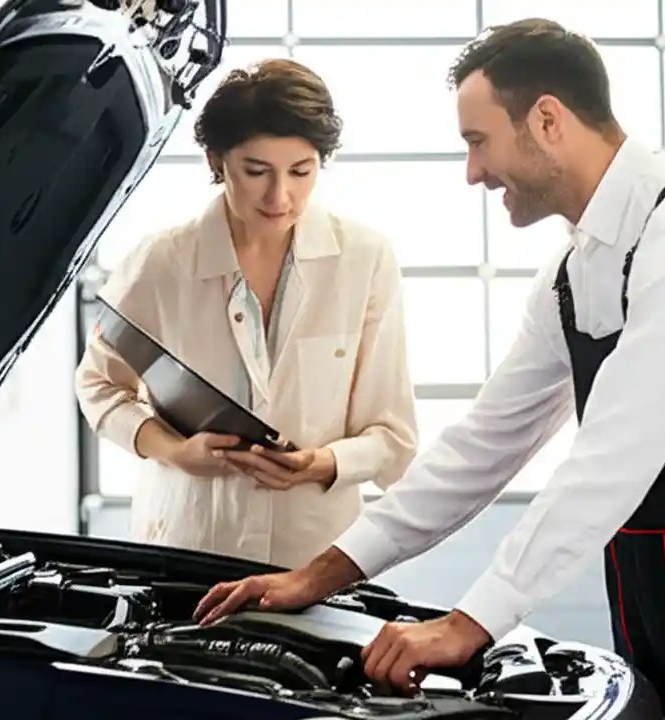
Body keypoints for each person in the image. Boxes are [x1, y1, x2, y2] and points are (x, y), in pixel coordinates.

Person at [191, 20, 665, 719]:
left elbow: (611, 462)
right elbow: (483, 445)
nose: (474, 172)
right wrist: (317, 575)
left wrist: (469, 624)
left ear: (546, 120)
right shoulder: (574, 272)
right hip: (656, 603)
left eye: (479, 142)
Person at [75, 58, 418, 571]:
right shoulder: (161, 261)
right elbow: (99, 387)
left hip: (315, 558)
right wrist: (173, 450)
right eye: (255, 172)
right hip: (188, 550)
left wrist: (321, 464)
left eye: (301, 172)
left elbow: (393, 436)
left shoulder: (365, 260)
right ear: (218, 162)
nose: (280, 196)